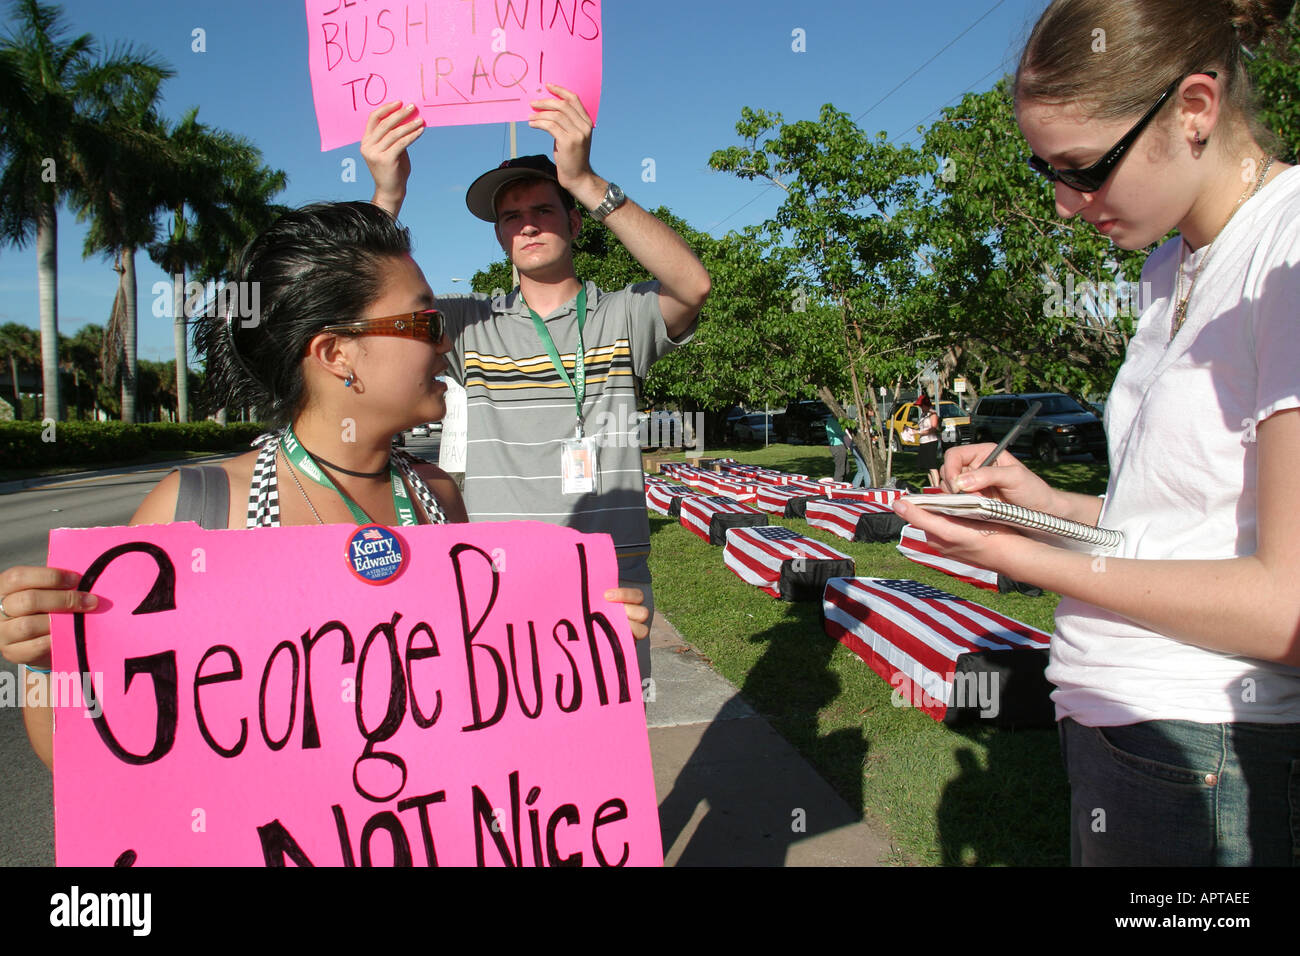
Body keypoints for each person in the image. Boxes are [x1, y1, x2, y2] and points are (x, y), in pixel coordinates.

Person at [0, 201, 650, 771]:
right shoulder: (197, 510)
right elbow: (101, 751)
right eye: (423, 322)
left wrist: (575, 645)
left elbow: (478, 692)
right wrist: (47, 660)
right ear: (338, 355)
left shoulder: (436, 499)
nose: (444, 339)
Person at [895, 0, 1300, 866]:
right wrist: (1038, 508)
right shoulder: (1171, 265)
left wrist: (1022, 559)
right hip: (1130, 731)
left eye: (1084, 168)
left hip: (1209, 745)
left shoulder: (1287, 255)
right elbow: (1172, 531)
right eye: (1045, 168)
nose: (1065, 205)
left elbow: (1284, 609)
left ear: (1194, 109)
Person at [362, 84, 711, 683]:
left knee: (609, 757)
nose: (526, 225)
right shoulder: (469, 323)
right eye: (510, 217)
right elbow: (362, 311)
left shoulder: (623, 314)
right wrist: (386, 195)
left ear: (575, 222)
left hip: (610, 583)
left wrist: (586, 179)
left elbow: (693, 285)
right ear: (500, 237)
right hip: (499, 579)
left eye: (543, 209)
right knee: (514, 758)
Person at [914, 393, 942, 487]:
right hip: (923, 441)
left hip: (931, 441)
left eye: (922, 405)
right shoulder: (923, 415)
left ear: (926, 405)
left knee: (932, 465)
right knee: (926, 466)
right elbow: (920, 427)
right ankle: (932, 485)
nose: (921, 408)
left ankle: (937, 486)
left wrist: (919, 433)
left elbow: (933, 428)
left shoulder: (932, 414)